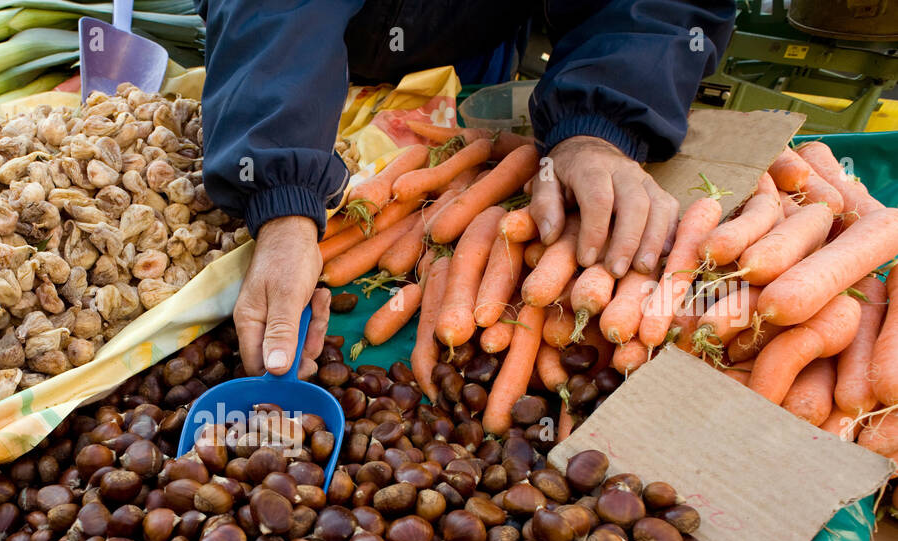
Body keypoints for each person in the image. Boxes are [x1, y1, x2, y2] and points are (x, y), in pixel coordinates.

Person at [197, 0, 738, 376]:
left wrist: (599, 126)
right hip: (276, 55)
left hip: (470, 40)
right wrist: (282, 199)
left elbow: (653, 7)